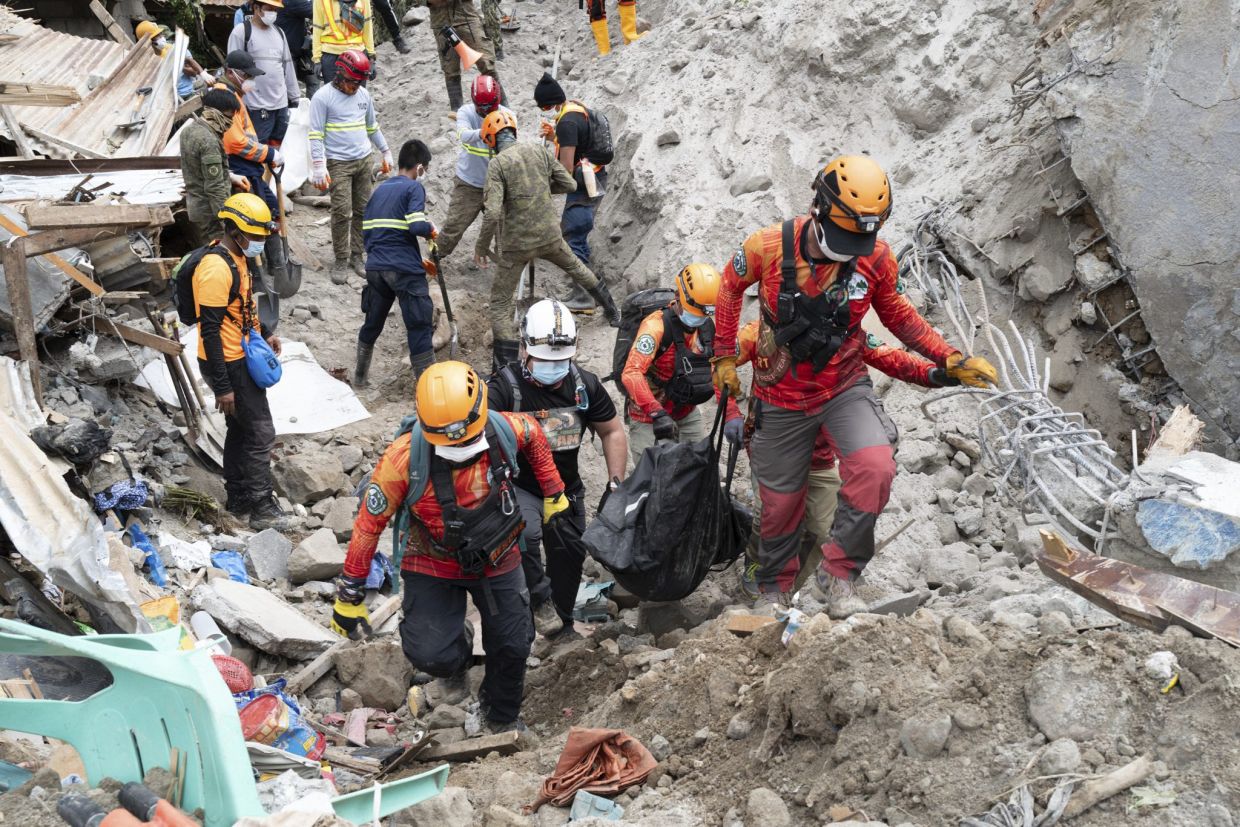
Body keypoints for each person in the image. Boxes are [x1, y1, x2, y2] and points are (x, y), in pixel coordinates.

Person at [711, 155, 998, 614]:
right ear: (818, 209)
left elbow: (899, 316)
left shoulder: (876, 258)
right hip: (780, 397)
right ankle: (770, 587)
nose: (851, 248)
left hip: (844, 386)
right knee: (781, 506)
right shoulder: (766, 246)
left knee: (875, 466)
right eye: (845, 237)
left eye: (862, 238)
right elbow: (728, 288)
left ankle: (839, 576)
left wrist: (948, 357)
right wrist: (724, 354)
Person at [334, 360, 571, 734]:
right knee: (432, 654)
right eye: (451, 442)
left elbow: (536, 436)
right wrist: (349, 594)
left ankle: (501, 715)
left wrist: (554, 491)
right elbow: (368, 524)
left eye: (467, 439)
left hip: (498, 550)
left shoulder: (503, 428)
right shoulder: (401, 460)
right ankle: (455, 659)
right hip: (432, 558)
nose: (461, 447)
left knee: (513, 643)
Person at [731, 319, 963, 605]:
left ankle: (789, 587)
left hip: (819, 457)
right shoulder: (759, 333)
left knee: (823, 528)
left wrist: (935, 373)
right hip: (774, 446)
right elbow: (722, 363)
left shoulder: (844, 334)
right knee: (769, 516)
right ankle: (756, 569)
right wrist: (731, 413)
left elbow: (889, 356)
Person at [487, 299, 628, 637]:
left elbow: (612, 431)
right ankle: (526, 615)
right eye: (545, 361)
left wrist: (615, 485)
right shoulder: (505, 388)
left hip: (566, 488)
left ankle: (561, 624)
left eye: (560, 361)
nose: (553, 369)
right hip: (521, 486)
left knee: (569, 554)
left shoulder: (584, 385)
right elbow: (482, 434)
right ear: (524, 349)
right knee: (526, 537)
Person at [473, 110, 619, 371]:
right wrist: (539, 187)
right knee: (576, 267)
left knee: (500, 302)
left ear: (491, 140)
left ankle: (505, 369)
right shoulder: (538, 152)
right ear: (514, 132)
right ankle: (612, 311)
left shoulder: (498, 165)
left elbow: (493, 211)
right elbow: (569, 184)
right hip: (549, 235)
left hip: (516, 245)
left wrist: (482, 246)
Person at [191, 193, 291, 530]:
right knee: (262, 432)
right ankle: (261, 506)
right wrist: (223, 387)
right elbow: (210, 330)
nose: (261, 242)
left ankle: (239, 498)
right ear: (236, 232)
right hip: (227, 362)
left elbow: (242, 308)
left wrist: (263, 333)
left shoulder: (238, 259)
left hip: (238, 354)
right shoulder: (216, 269)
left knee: (240, 429)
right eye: (257, 236)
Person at [620, 263, 742, 467]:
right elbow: (631, 373)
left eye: (704, 314)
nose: (699, 319)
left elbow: (718, 368)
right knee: (653, 480)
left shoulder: (706, 327)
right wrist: (656, 412)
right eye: (695, 312)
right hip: (648, 417)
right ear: (678, 297)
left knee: (701, 471)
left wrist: (730, 413)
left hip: (686, 410)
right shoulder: (655, 327)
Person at [354, 139, 438, 389]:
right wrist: (431, 229)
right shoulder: (413, 189)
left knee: (373, 322)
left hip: (376, 268)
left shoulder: (379, 190)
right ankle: (428, 387)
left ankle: (360, 377)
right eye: (426, 169)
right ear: (419, 167)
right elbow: (415, 225)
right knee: (419, 324)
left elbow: (368, 232)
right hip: (403, 269)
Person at [307, 50, 392, 282]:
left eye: (359, 82)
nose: (354, 87)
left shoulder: (363, 95)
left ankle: (357, 255)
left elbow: (372, 126)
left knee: (363, 210)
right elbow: (315, 134)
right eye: (351, 82)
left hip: (364, 160)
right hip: (338, 163)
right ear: (340, 73)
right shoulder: (323, 98)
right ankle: (341, 259)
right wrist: (318, 165)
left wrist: (385, 151)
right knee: (342, 212)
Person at [533, 74, 607, 313]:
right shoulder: (575, 108)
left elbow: (565, 169)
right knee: (576, 234)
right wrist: (555, 138)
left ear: (550, 102)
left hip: (585, 184)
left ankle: (584, 297)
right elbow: (577, 146)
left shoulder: (567, 122)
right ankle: (584, 290)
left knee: (574, 236)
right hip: (593, 178)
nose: (545, 111)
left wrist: (545, 185)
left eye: (544, 106)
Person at [434, 75, 510, 259]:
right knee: (453, 228)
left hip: (498, 186)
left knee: (506, 232)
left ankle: (506, 268)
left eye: (488, 107)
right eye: (480, 107)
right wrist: (486, 130)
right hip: (469, 184)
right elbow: (463, 135)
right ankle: (432, 262)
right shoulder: (466, 112)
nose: (484, 111)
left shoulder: (508, 116)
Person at [180, 90, 251, 247]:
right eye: (229, 116)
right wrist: (228, 217)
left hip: (198, 207)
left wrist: (230, 176)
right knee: (218, 254)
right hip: (212, 213)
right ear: (214, 112)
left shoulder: (189, 131)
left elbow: (197, 167)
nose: (230, 122)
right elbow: (214, 186)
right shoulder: (208, 140)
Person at [227, 0, 300, 149]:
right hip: (256, 105)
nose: (273, 13)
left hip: (281, 104)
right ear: (256, 8)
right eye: (269, 8)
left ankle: (275, 173)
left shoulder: (279, 33)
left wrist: (295, 97)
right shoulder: (242, 32)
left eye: (275, 9)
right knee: (257, 148)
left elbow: (287, 66)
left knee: (279, 147)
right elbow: (233, 69)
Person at [411, 0, 500, 111]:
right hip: (441, 24)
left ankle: (501, 104)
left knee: (486, 63)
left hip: (467, 19)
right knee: (450, 70)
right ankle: (457, 109)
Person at [136, 20, 213, 101]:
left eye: (161, 34)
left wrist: (179, 67)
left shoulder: (172, 49)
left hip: (188, 93)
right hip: (169, 99)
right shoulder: (146, 60)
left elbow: (193, 71)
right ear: (150, 42)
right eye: (157, 36)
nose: (162, 37)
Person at [312, 0, 376, 84]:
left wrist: (372, 58)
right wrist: (317, 59)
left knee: (356, 93)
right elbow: (317, 29)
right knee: (333, 94)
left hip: (355, 54)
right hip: (332, 55)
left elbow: (367, 28)